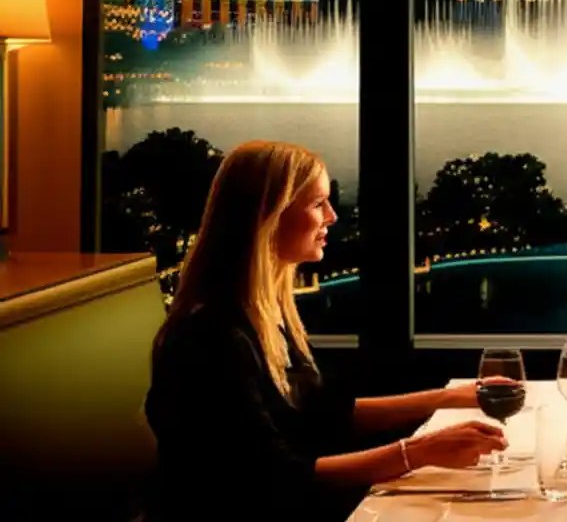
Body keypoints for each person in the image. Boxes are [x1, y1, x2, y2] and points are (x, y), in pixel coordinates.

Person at [145, 141, 508, 521]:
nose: (332, 216)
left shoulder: (264, 314)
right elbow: (273, 478)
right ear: (268, 215)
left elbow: (323, 412)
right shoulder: (210, 337)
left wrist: (451, 397)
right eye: (318, 203)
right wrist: (417, 452)